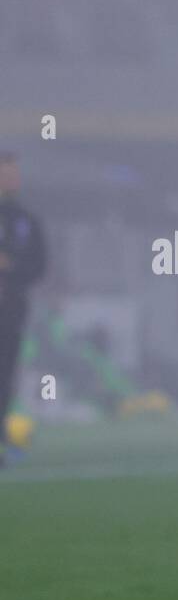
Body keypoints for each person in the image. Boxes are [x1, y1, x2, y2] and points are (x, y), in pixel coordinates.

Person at [0, 153, 46, 470]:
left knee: (5, 375)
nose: (12, 179)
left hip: (11, 308)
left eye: (14, 174)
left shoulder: (26, 221)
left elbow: (40, 264)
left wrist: (12, 268)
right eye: (6, 174)